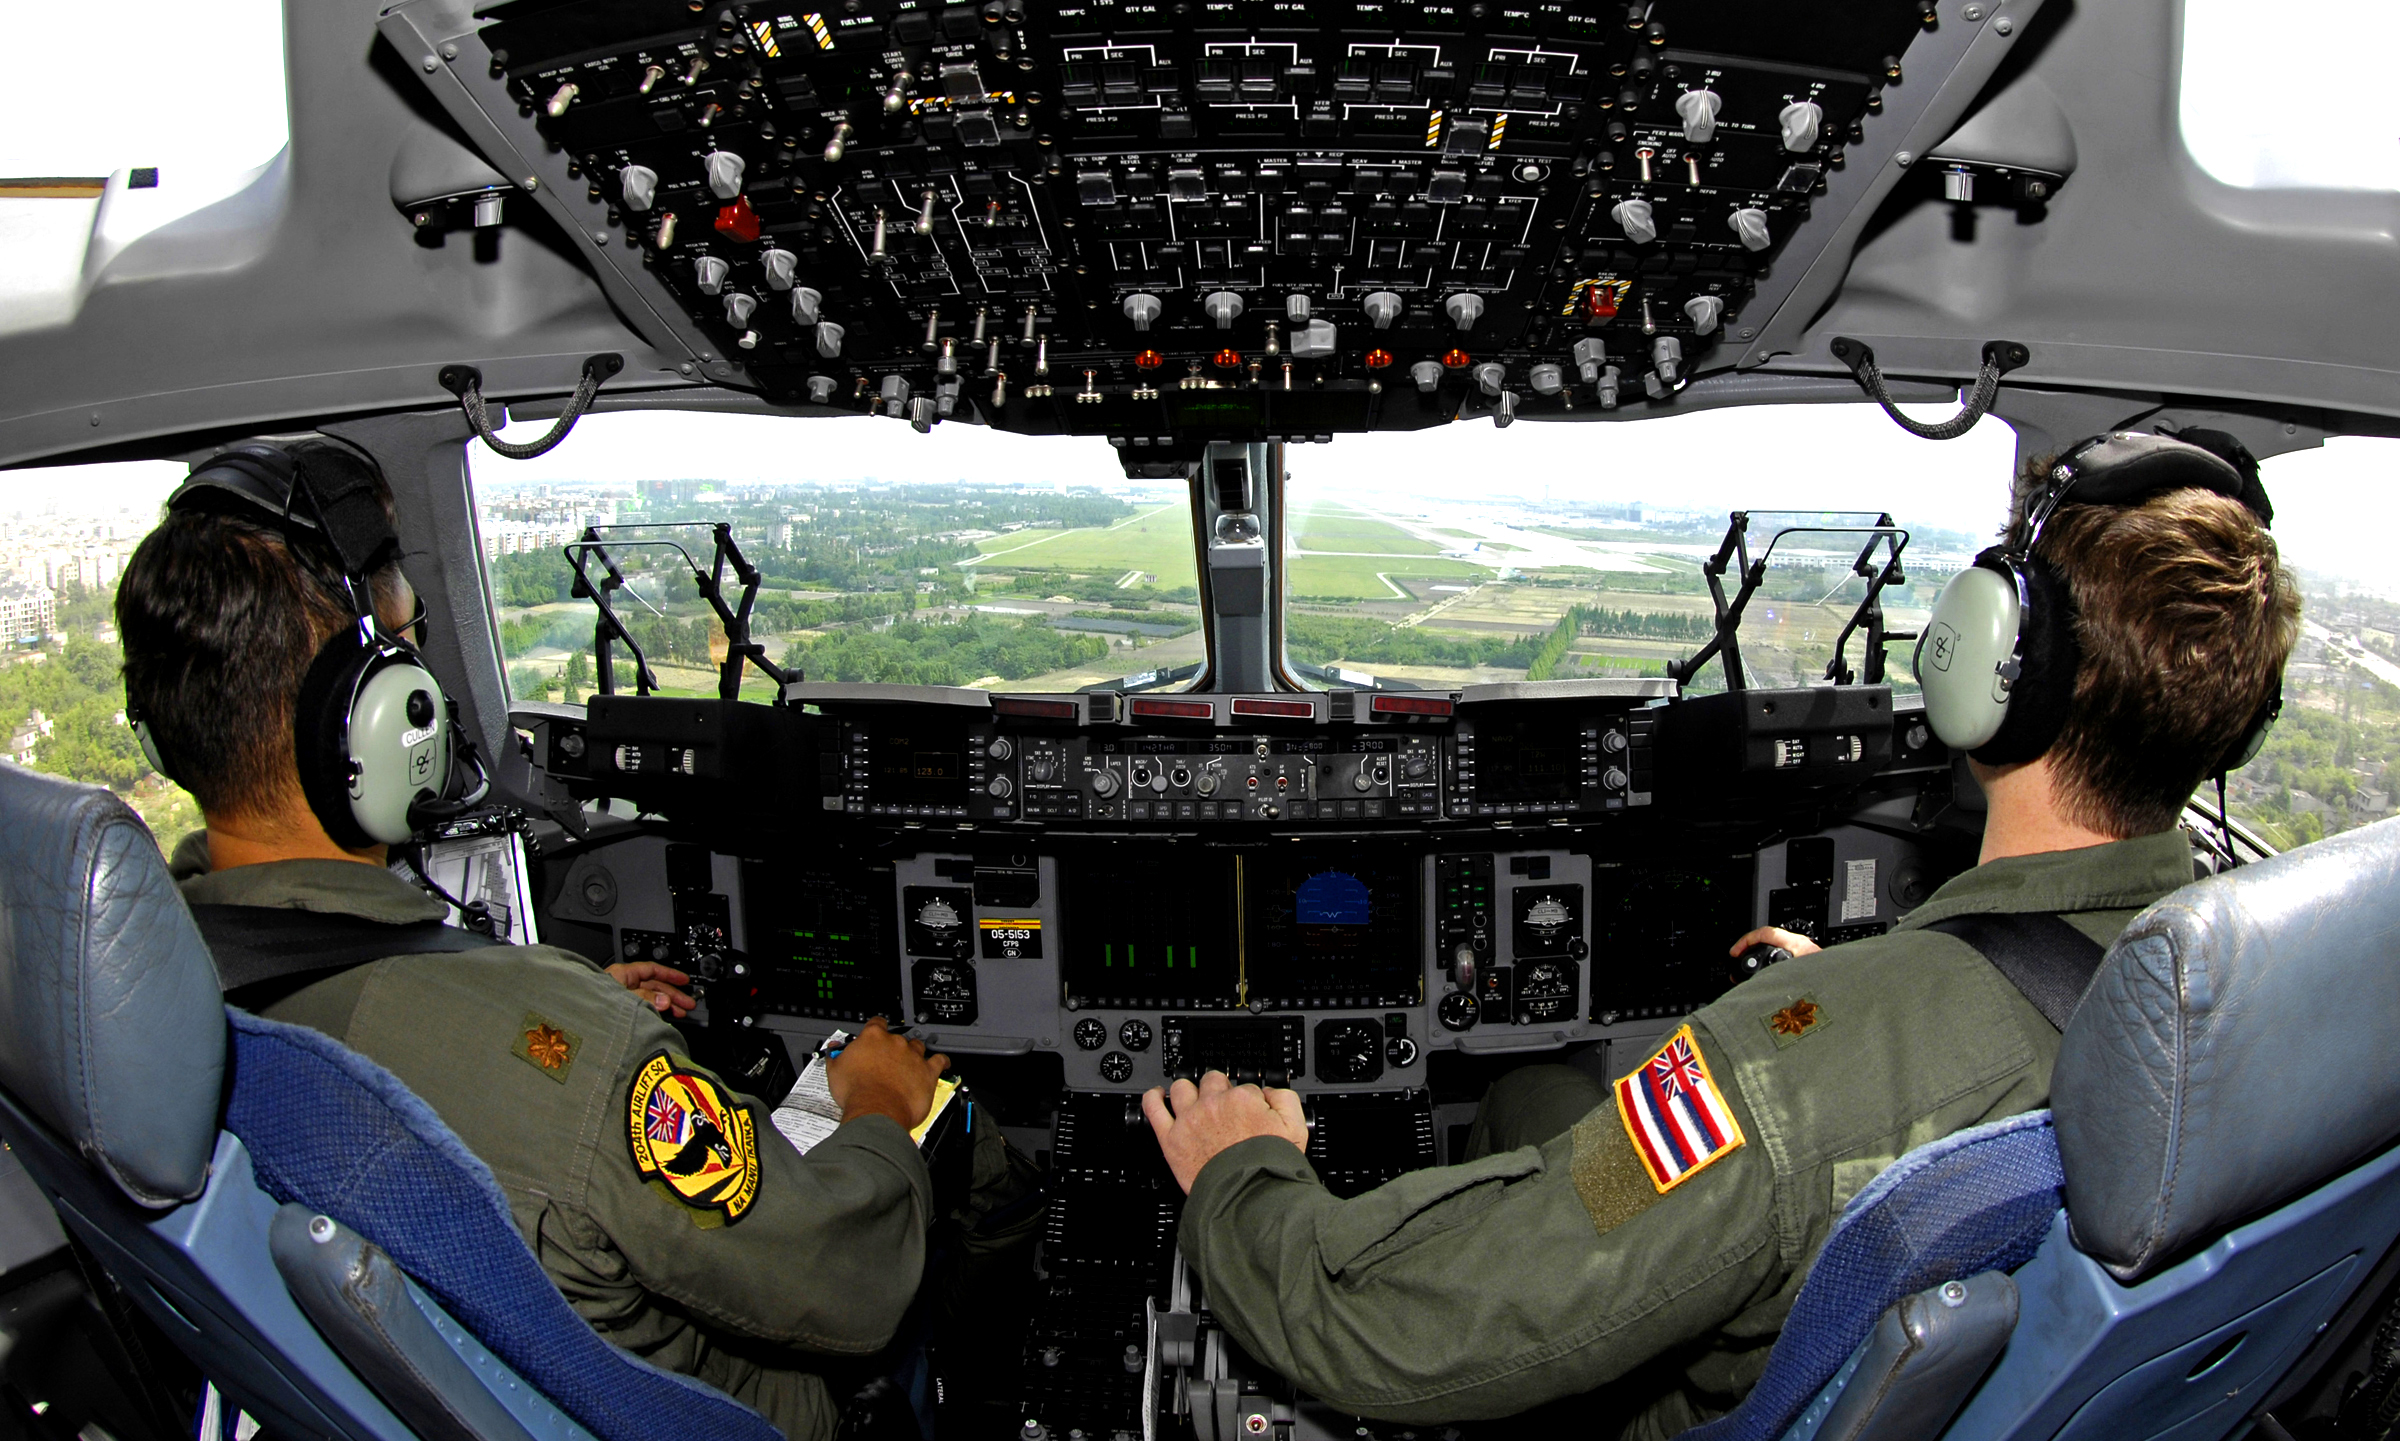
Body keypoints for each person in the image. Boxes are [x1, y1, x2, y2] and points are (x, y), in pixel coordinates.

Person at [1142, 433, 2301, 1439]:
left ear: (1997, 668)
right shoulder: (2255, 983)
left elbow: (1384, 1329)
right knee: (1539, 1092)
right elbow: (1929, 1068)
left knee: (1525, 1159)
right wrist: (1855, 1009)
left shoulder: (1776, 1071)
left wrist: (1244, 1177)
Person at [117, 438, 982, 1441]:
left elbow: (460, 1083)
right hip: (720, 1412)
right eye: (409, 651)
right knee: (958, 1159)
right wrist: (876, 1111)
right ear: (370, 723)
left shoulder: (144, 985)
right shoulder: (579, 1058)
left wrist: (552, 1010)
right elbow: (852, 1279)